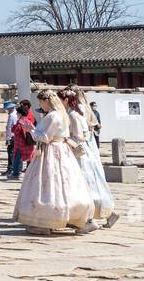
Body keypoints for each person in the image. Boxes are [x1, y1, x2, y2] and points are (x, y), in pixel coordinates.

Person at [13, 89, 95, 235]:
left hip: (51, 151)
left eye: (41, 102)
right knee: (67, 183)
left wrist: (30, 130)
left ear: (46, 101)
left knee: (48, 185)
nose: (41, 105)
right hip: (63, 151)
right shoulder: (62, 114)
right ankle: (76, 217)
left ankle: (45, 221)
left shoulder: (53, 116)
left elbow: (45, 137)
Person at [64, 88, 117, 229]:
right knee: (93, 181)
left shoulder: (75, 113)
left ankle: (89, 218)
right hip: (88, 146)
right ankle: (102, 213)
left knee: (86, 182)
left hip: (80, 148)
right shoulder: (82, 110)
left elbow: (79, 134)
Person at [8, 99, 35, 181]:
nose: (16, 114)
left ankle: (16, 173)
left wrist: (14, 126)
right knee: (28, 159)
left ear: (20, 114)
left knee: (17, 159)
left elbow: (15, 130)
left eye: (17, 113)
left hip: (20, 143)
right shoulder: (28, 121)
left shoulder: (20, 122)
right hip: (27, 143)